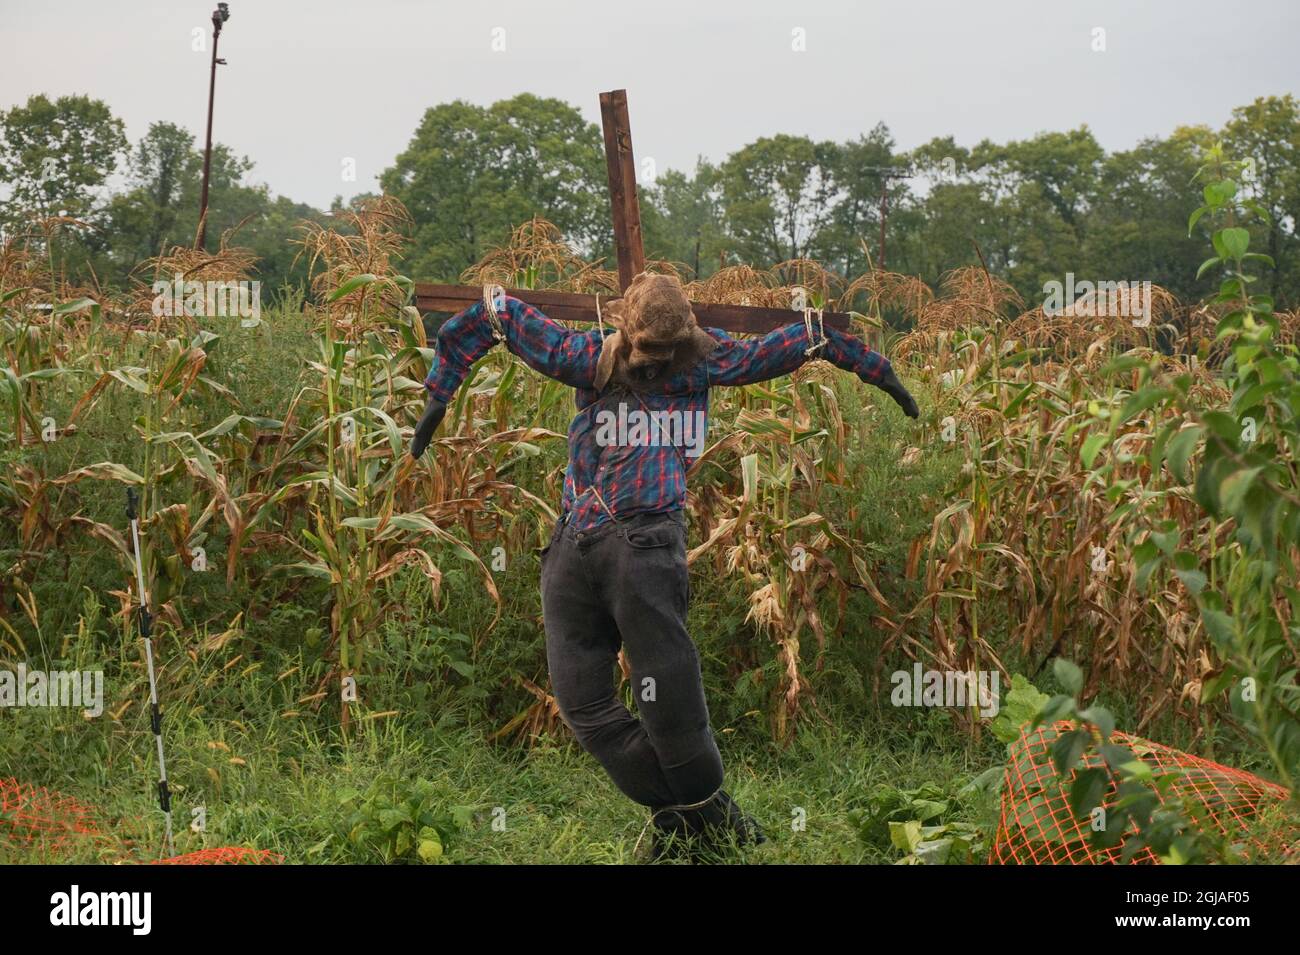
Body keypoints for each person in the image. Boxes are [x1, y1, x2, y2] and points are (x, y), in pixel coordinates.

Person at [410, 273, 918, 861]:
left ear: (686, 341)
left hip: (645, 546)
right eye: (644, 350)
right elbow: (497, 315)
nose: (651, 362)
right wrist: (438, 397)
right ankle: (706, 815)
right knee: (583, 705)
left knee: (668, 696)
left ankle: (693, 822)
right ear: (624, 329)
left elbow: (811, 338)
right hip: (573, 543)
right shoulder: (588, 358)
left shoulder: (704, 361)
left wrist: (884, 377)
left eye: (663, 352)